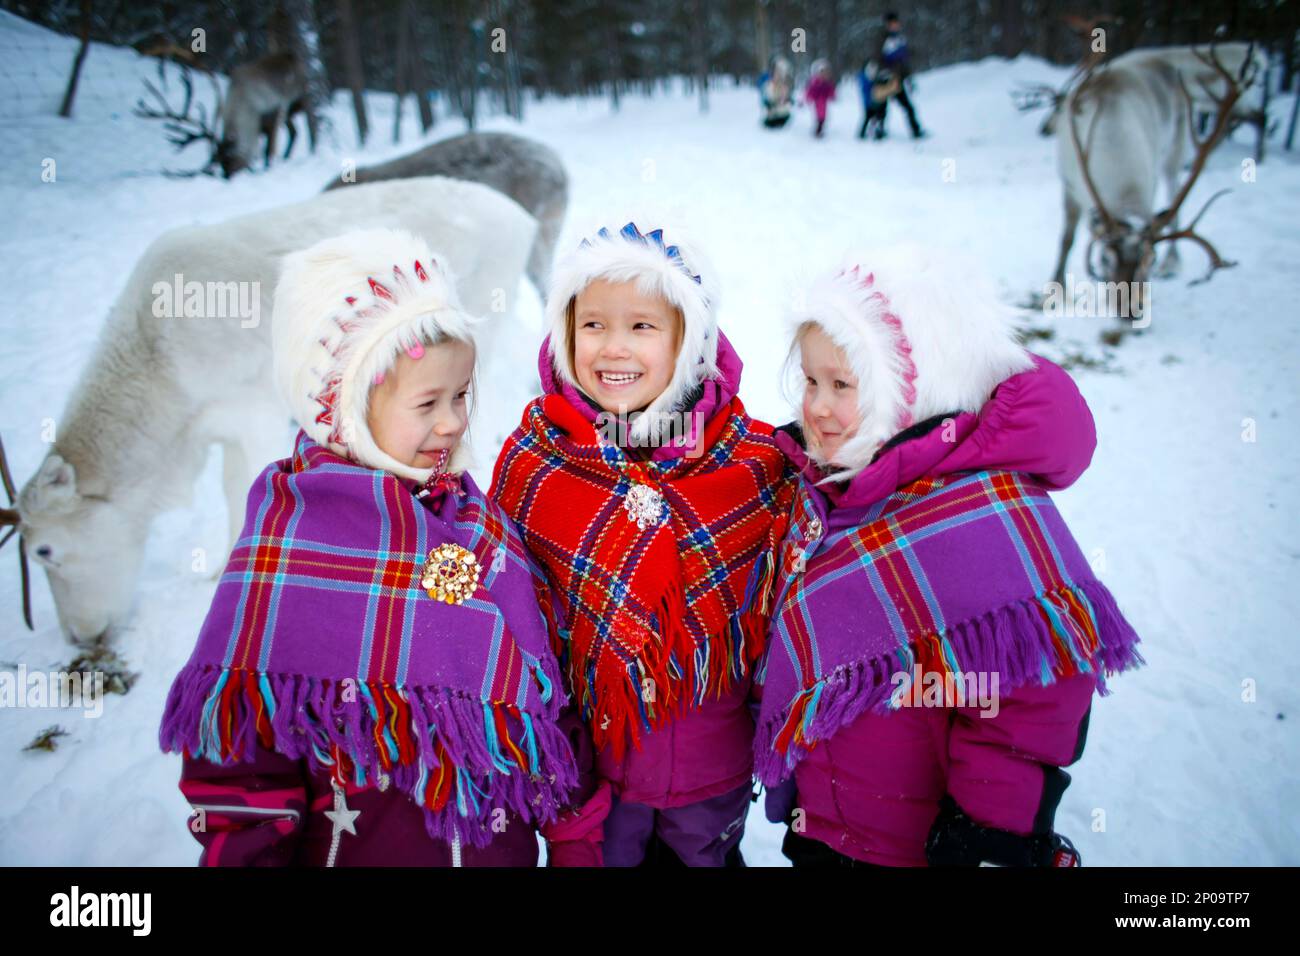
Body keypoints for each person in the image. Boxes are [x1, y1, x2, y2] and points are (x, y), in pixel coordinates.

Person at [159, 227, 607, 866]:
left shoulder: (474, 521)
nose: (453, 422)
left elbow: (544, 700)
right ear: (343, 405)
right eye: (428, 402)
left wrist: (573, 836)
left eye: (461, 396)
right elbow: (243, 771)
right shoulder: (288, 547)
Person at [754, 246, 1144, 866]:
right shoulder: (824, 491)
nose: (818, 406)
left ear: (911, 391)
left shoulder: (984, 514)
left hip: (923, 846)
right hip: (822, 827)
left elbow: (1032, 694)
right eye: (809, 381)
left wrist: (988, 831)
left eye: (843, 385)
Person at [490, 220, 797, 866]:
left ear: (691, 342)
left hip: (711, 766)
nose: (613, 348)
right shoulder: (535, 461)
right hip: (594, 771)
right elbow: (510, 618)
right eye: (593, 325)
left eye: (642, 327)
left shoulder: (754, 463)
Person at [874, 12, 926, 139]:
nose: (895, 26)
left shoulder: (900, 39)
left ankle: (916, 130)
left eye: (897, 23)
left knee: (907, 106)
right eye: (893, 24)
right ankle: (879, 131)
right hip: (885, 78)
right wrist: (884, 70)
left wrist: (908, 78)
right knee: (882, 108)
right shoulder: (882, 39)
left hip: (897, 79)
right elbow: (877, 58)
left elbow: (904, 62)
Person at [857, 59, 897, 140]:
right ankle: (868, 133)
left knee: (876, 117)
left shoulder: (873, 79)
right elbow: (869, 91)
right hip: (870, 103)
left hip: (875, 102)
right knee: (871, 117)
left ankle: (876, 132)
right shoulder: (865, 79)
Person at [803, 58, 838, 138]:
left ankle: (819, 129)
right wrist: (809, 97)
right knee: (820, 116)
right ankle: (818, 131)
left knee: (823, 116)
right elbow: (810, 90)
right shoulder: (815, 82)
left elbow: (831, 91)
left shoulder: (827, 82)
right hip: (818, 101)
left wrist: (832, 95)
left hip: (824, 101)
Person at [758, 55, 795, 128]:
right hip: (772, 112)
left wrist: (788, 100)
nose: (779, 75)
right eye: (777, 72)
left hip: (782, 112)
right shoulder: (768, 84)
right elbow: (765, 97)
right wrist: (767, 103)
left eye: (781, 73)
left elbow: (787, 98)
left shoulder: (785, 86)